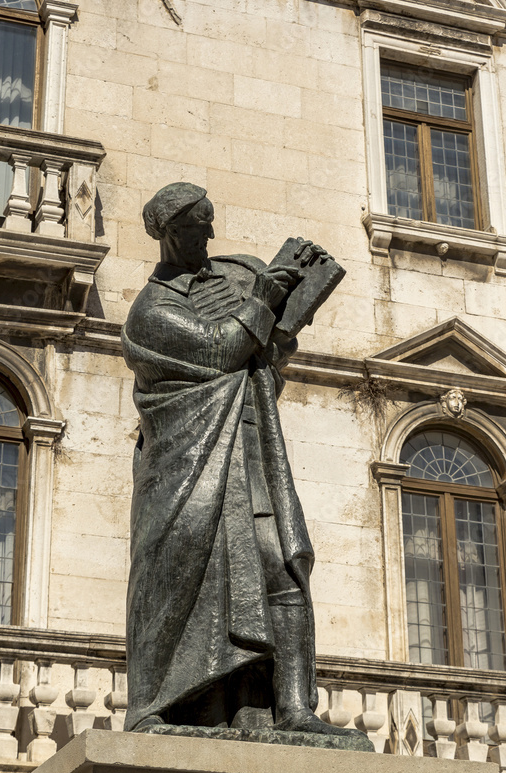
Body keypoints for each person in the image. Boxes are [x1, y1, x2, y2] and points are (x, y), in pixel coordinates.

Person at [121, 182, 341, 735]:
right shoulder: (150, 313)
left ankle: (292, 707)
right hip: (191, 472)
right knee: (197, 583)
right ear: (172, 232)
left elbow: (261, 356)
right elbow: (221, 350)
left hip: (250, 451)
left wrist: (287, 314)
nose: (212, 234)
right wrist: (263, 302)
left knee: (282, 569)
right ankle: (171, 707)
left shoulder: (234, 277)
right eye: (201, 225)